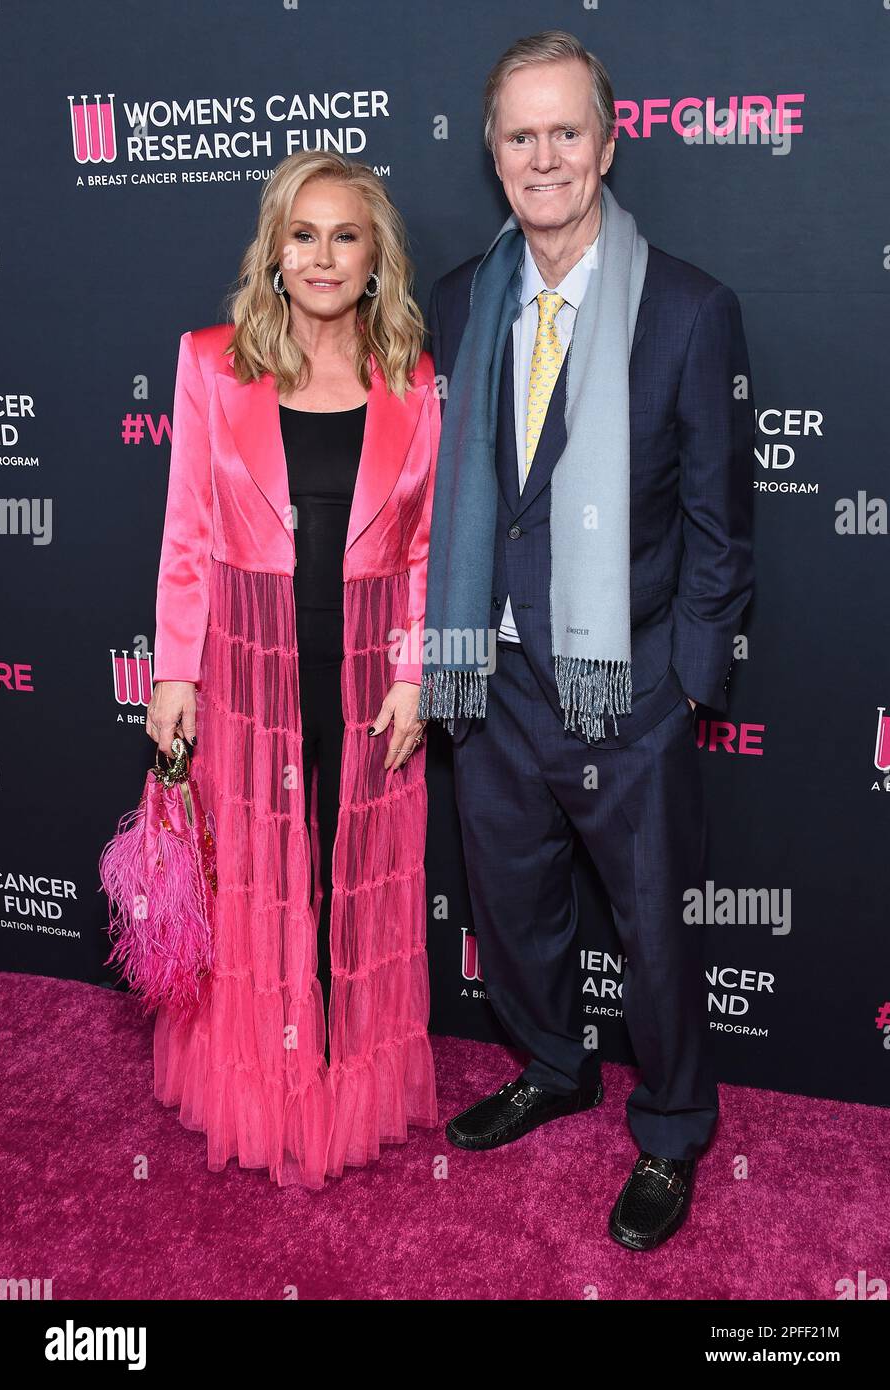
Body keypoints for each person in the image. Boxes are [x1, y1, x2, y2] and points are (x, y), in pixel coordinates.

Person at [419, 31, 754, 1249]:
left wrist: (684, 684)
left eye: (567, 131)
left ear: (610, 144)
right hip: (491, 672)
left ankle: (669, 1130)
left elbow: (722, 525)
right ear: (493, 154)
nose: (545, 156)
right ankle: (554, 1064)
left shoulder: (688, 308)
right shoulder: (462, 295)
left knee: (654, 925)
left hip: (628, 676)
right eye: (521, 135)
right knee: (510, 903)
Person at [146, 151, 440, 1189]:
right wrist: (172, 671)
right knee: (256, 875)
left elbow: (423, 551)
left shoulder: (414, 380)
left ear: (375, 257)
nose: (323, 255)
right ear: (276, 249)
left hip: (366, 670)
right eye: (303, 234)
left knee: (348, 875)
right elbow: (187, 530)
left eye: (345, 235)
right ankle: (261, 1085)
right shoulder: (210, 361)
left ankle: (338, 1074)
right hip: (243, 664)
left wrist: (418, 672)